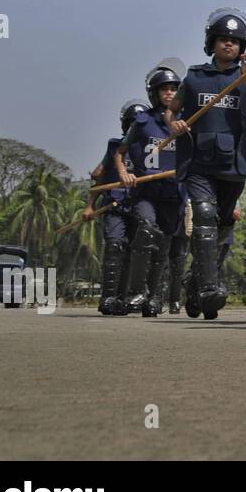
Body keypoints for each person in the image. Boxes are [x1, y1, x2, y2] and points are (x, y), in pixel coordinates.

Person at [166, 9, 246, 320]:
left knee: (221, 228)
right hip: (199, 163)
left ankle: (194, 285)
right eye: (223, 39)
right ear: (212, 42)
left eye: (234, 40)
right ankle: (209, 287)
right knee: (204, 215)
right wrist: (174, 124)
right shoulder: (194, 78)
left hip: (233, 165)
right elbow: (171, 111)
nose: (228, 45)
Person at [115, 62, 185, 316]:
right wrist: (124, 173)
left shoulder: (185, 124)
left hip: (173, 193)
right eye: (164, 89)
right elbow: (120, 153)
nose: (169, 94)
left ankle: (154, 297)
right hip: (146, 192)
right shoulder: (142, 122)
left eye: (174, 90)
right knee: (145, 230)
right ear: (154, 93)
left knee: (164, 245)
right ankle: (136, 292)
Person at [86, 101, 145, 316]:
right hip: (114, 206)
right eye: (131, 125)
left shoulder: (152, 151)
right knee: (114, 246)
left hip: (138, 207)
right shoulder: (114, 147)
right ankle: (108, 298)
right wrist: (89, 207)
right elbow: (98, 179)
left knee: (131, 253)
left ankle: (122, 299)